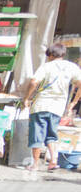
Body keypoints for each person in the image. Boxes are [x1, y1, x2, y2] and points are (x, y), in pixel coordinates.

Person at [20, 43, 81, 171]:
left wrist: (27, 98)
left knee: (37, 134)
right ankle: (53, 161)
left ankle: (35, 164)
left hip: (41, 105)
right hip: (58, 107)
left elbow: (33, 82)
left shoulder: (47, 67)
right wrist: (73, 102)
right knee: (52, 134)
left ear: (51, 55)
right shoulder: (72, 67)